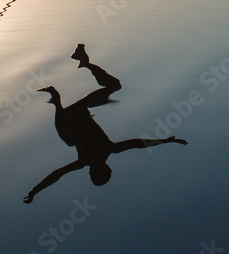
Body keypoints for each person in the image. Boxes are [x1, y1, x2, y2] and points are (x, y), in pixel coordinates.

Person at [23, 44, 187, 202]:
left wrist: (34, 191)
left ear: (91, 172)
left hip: (68, 119)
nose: (96, 167)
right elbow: (138, 143)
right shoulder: (110, 149)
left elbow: (57, 174)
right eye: (100, 171)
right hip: (80, 109)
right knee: (115, 85)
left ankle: (57, 102)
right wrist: (166, 140)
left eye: (95, 172)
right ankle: (85, 63)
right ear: (106, 168)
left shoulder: (84, 161)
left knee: (70, 141)